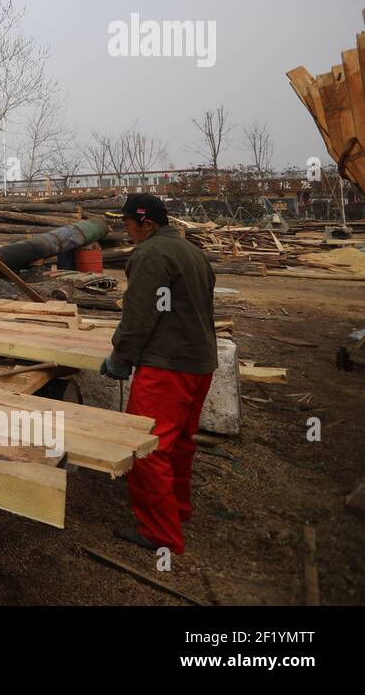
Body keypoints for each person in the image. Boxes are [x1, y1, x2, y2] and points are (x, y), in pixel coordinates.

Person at [101, 192, 217, 556]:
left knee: (147, 447)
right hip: (199, 364)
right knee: (180, 443)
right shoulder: (192, 252)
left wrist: (122, 353)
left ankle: (160, 534)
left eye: (127, 224)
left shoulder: (150, 254)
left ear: (146, 224)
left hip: (167, 368)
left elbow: (139, 315)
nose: (125, 231)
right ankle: (178, 511)